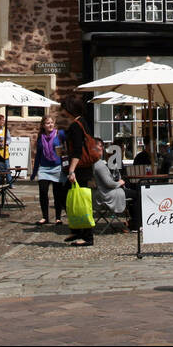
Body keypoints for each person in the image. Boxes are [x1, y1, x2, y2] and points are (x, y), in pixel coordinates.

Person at [58, 97, 96, 246]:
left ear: (70, 109)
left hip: (80, 169)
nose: (62, 112)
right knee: (70, 197)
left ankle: (87, 236)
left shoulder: (76, 125)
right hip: (84, 168)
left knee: (81, 202)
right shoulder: (83, 122)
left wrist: (71, 171)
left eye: (64, 109)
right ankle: (77, 231)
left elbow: (78, 151)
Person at [31, 115, 66, 226]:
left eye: (51, 123)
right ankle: (45, 217)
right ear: (43, 125)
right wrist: (34, 171)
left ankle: (58, 217)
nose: (50, 125)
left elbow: (69, 144)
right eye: (47, 123)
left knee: (57, 193)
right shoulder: (40, 137)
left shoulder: (59, 134)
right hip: (44, 168)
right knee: (43, 191)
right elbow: (38, 155)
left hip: (57, 167)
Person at [92, 139, 128, 231]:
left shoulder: (95, 163)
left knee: (132, 193)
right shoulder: (99, 164)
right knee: (136, 194)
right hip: (106, 194)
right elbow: (109, 183)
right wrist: (120, 183)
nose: (102, 148)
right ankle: (135, 223)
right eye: (100, 146)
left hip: (101, 192)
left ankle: (132, 221)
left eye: (102, 146)